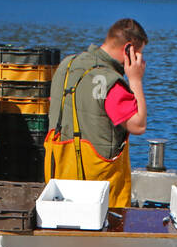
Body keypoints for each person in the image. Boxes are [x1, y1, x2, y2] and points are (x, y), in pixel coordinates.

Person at [44, 18, 149, 209]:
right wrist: (135, 79)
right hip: (97, 193)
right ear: (128, 50)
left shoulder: (66, 65)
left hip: (59, 183)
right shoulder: (111, 82)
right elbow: (138, 125)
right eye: (139, 53)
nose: (141, 60)